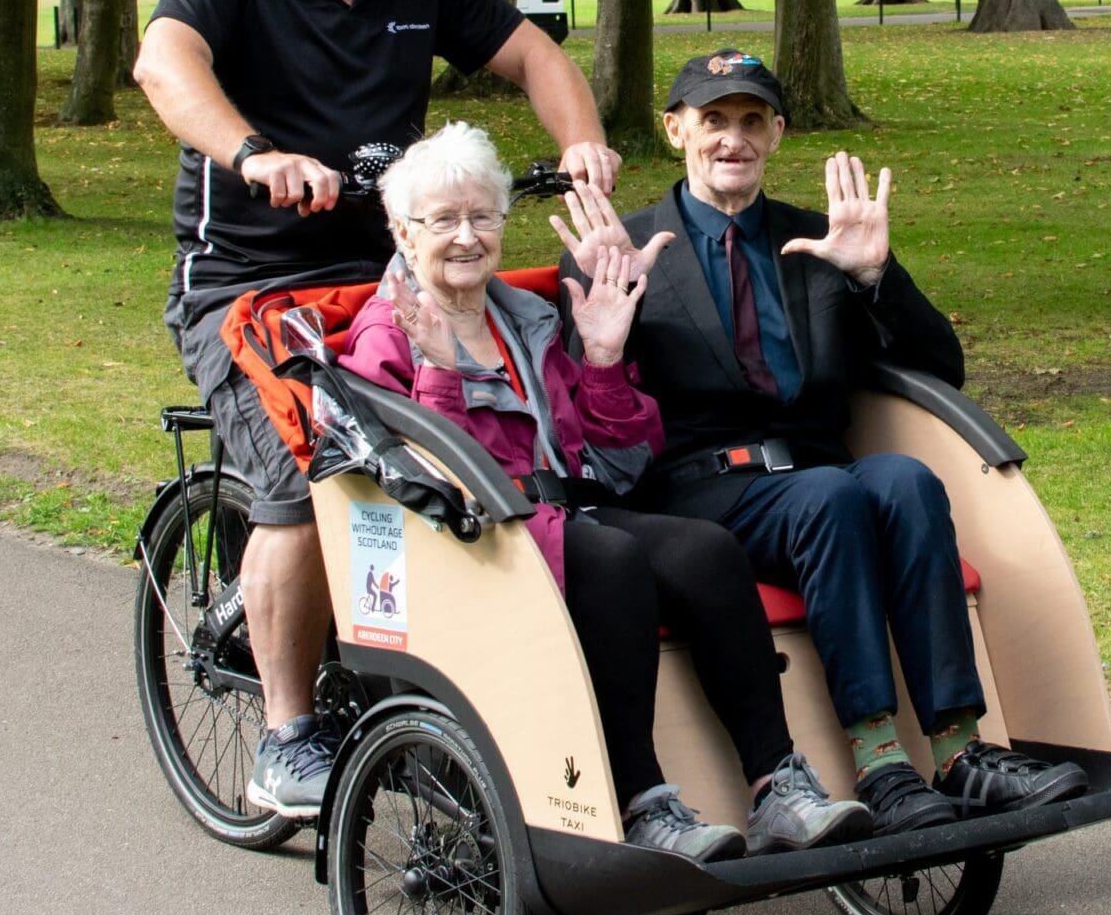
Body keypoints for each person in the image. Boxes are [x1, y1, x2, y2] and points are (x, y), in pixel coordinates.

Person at [131, 0, 621, 819]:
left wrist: (578, 140)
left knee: (471, 447)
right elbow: (163, 63)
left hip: (386, 278)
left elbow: (531, 53)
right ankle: (284, 736)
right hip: (251, 289)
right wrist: (252, 154)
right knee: (306, 468)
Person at [559, 50, 1089, 836]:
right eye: (712, 121)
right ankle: (878, 760)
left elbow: (942, 368)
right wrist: (607, 338)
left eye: (749, 121)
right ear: (676, 131)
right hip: (703, 491)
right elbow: (582, 417)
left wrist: (876, 276)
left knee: (906, 481)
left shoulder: (823, 239)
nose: (731, 140)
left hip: (815, 473)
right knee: (833, 493)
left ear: (777, 132)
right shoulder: (626, 248)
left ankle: (959, 750)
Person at [339, 122, 875, 862]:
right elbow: (432, 481)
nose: (467, 237)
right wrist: (439, 374)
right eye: (443, 220)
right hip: (475, 537)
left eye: (483, 217)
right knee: (613, 558)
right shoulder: (386, 334)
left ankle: (775, 782)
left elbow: (616, 466)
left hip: (563, 513)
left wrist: (601, 357)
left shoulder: (521, 316)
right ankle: (641, 799)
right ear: (402, 229)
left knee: (706, 550)